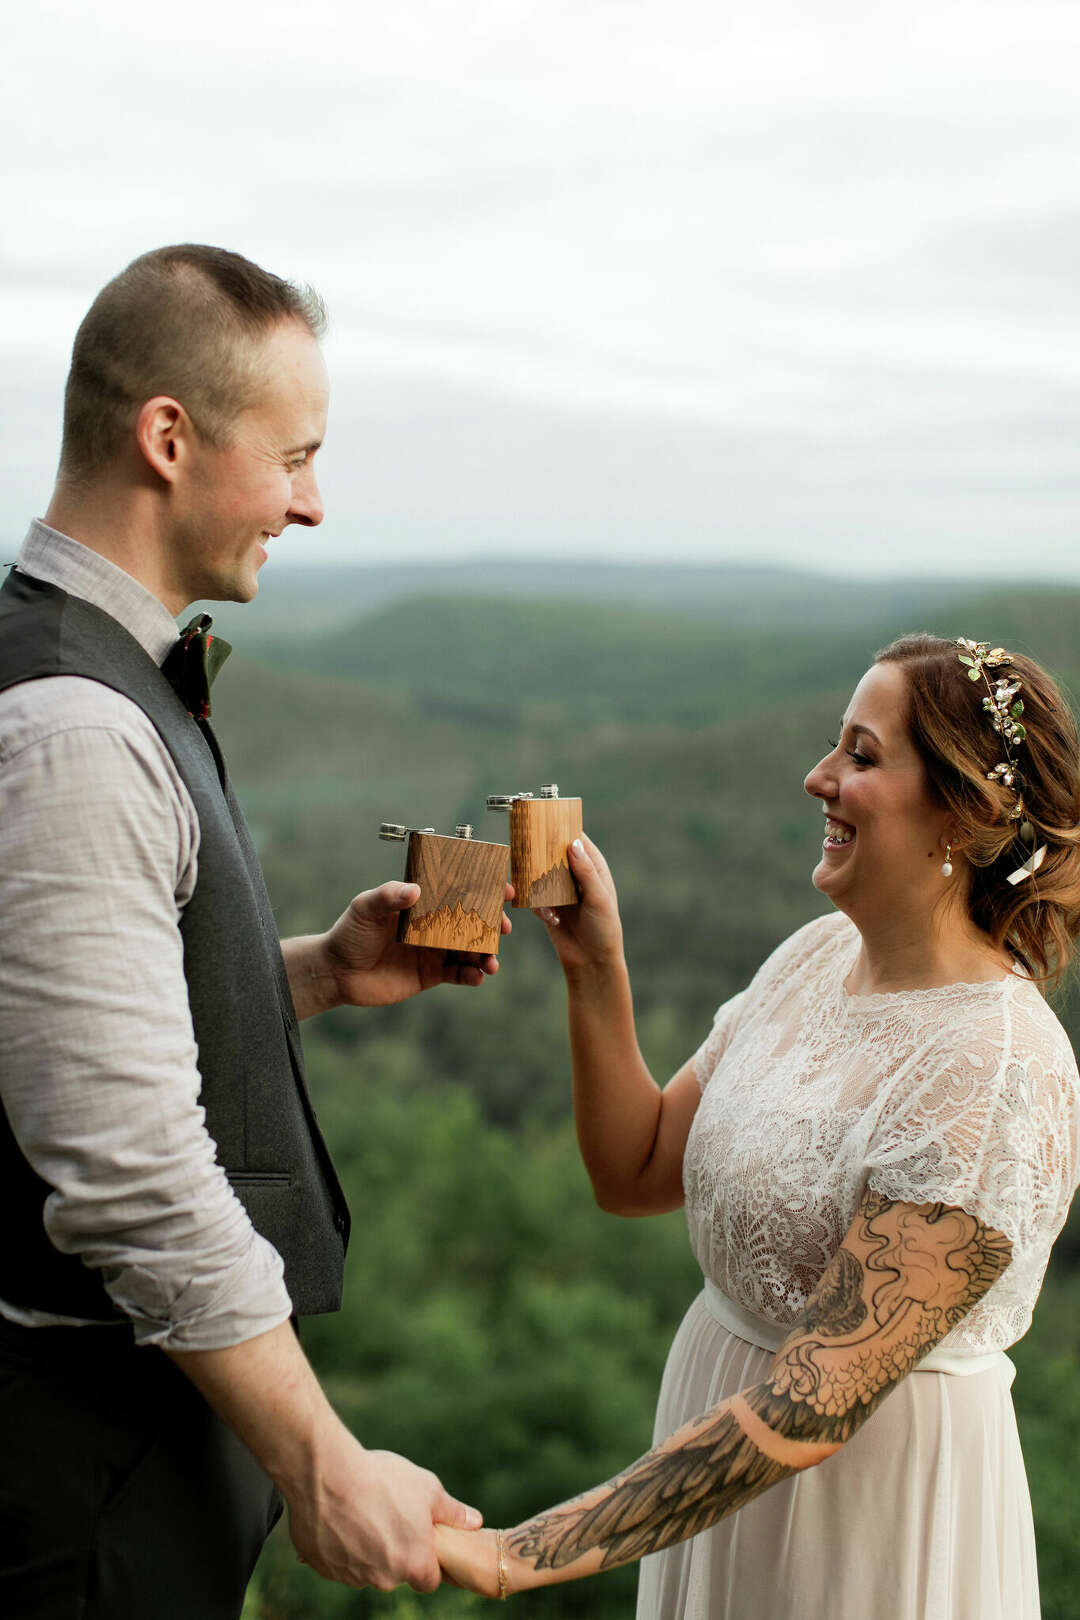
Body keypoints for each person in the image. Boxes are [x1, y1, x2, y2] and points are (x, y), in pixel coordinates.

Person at [0, 244, 509, 1620]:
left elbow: (57, 1025)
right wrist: (323, 1461)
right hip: (84, 1470)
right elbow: (126, 1165)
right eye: (294, 455)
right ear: (167, 437)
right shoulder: (76, 727)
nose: (313, 501)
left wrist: (321, 975)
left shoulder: (84, 679)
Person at [436, 633, 1080, 1618]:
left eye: (862, 756)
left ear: (969, 811)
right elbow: (639, 1168)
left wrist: (520, 1553)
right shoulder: (814, 958)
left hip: (863, 1517)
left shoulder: (992, 1072)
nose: (817, 777)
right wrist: (595, 970)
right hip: (720, 1476)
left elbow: (811, 1403)